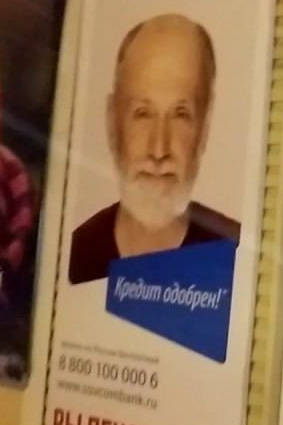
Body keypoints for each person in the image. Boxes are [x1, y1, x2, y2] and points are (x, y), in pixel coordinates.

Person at [68, 14, 239, 284]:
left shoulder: (234, 255)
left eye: (180, 114)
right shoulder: (77, 255)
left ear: (204, 128)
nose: (159, 150)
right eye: (143, 113)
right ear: (112, 122)